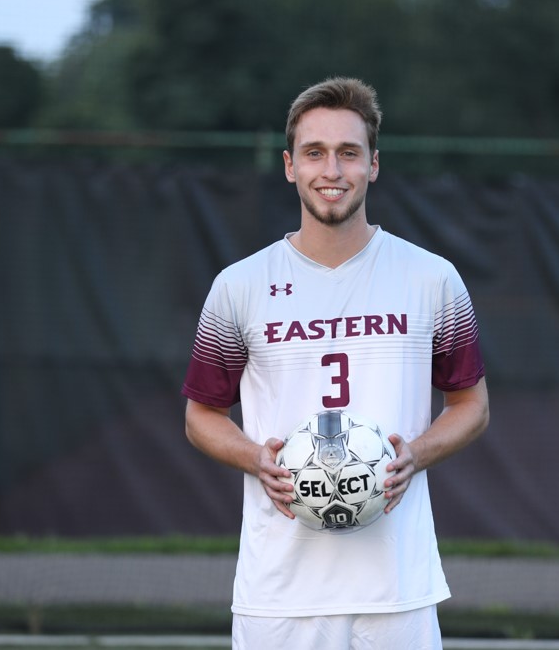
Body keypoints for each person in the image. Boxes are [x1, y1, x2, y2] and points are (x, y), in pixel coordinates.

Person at [182, 76, 489, 649]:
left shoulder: (431, 278)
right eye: (314, 153)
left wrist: (415, 454)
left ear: (373, 165)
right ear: (289, 166)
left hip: (397, 590)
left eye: (349, 153)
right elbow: (201, 415)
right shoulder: (241, 286)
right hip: (278, 594)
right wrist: (257, 459)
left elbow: (471, 406)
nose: (332, 170)